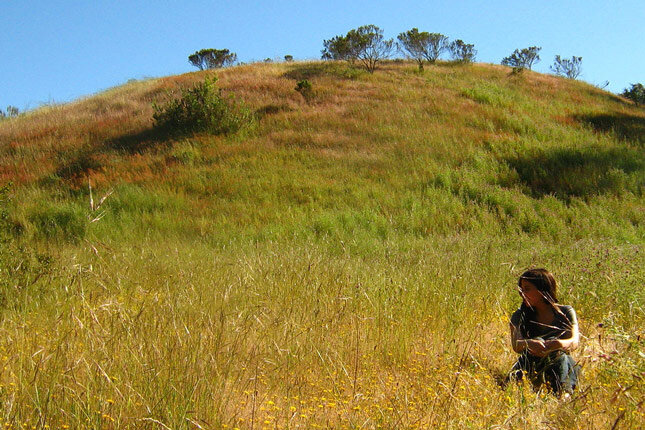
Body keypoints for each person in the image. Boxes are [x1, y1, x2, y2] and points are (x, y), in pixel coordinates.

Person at [508, 268, 580, 396]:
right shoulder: (519, 315)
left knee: (562, 356)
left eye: (527, 288)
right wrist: (530, 344)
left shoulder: (565, 312)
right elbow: (516, 345)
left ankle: (564, 393)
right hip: (531, 363)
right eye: (521, 289)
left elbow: (574, 341)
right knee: (541, 344)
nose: (522, 293)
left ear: (542, 290)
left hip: (559, 362)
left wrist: (558, 344)